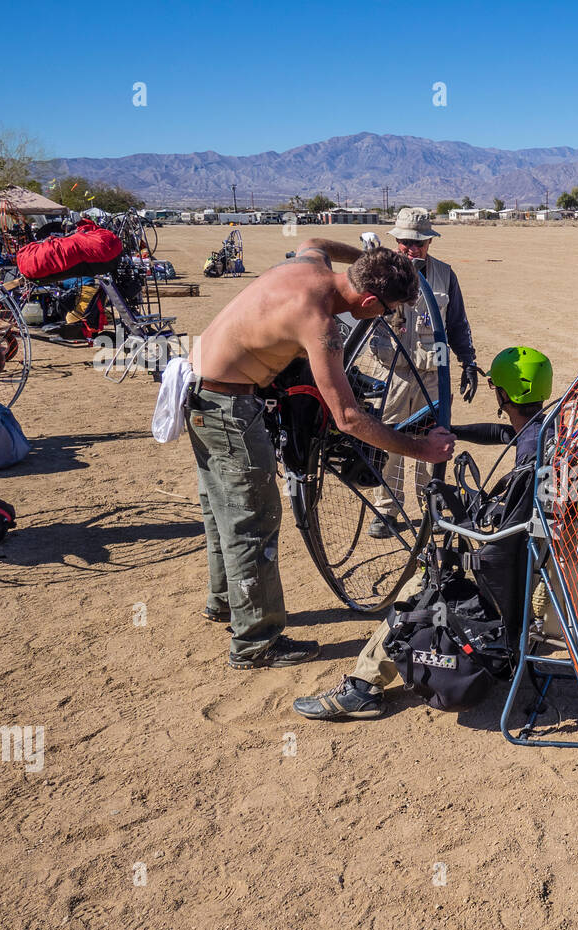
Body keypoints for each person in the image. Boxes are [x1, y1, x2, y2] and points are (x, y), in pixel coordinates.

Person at [189, 239, 456, 670]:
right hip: (228, 408)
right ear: (368, 301)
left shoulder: (311, 265)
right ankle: (255, 642)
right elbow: (349, 418)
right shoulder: (320, 325)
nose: (385, 318)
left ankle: (226, 602)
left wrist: (373, 255)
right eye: (385, 310)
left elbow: (311, 241)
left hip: (200, 393)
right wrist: (420, 447)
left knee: (221, 509)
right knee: (252, 518)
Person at [292, 346, 552, 718]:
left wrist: (455, 513)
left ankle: (363, 686)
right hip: (542, 574)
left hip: (509, 587)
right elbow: (506, 432)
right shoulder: (548, 432)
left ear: (502, 394)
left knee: (424, 580)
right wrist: (455, 431)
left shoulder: (526, 468)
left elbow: (499, 544)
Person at [369, 207, 480, 537]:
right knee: (388, 442)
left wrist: (468, 363)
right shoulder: (378, 272)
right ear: (395, 240)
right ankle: (386, 510)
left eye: (419, 243)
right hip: (392, 376)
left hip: (433, 378)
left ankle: (430, 508)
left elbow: (457, 324)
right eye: (404, 242)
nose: (411, 249)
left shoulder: (445, 275)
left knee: (430, 445)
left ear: (430, 242)